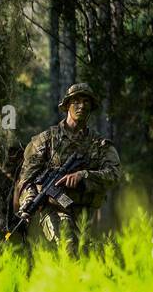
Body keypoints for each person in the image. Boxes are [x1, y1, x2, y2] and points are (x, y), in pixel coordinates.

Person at [14, 83, 122, 251]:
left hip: (86, 213)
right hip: (54, 208)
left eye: (86, 101)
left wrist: (83, 175)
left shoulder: (100, 144)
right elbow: (26, 179)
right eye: (76, 101)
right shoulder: (45, 140)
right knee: (68, 246)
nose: (82, 106)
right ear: (67, 106)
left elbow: (114, 175)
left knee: (89, 257)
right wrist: (29, 200)